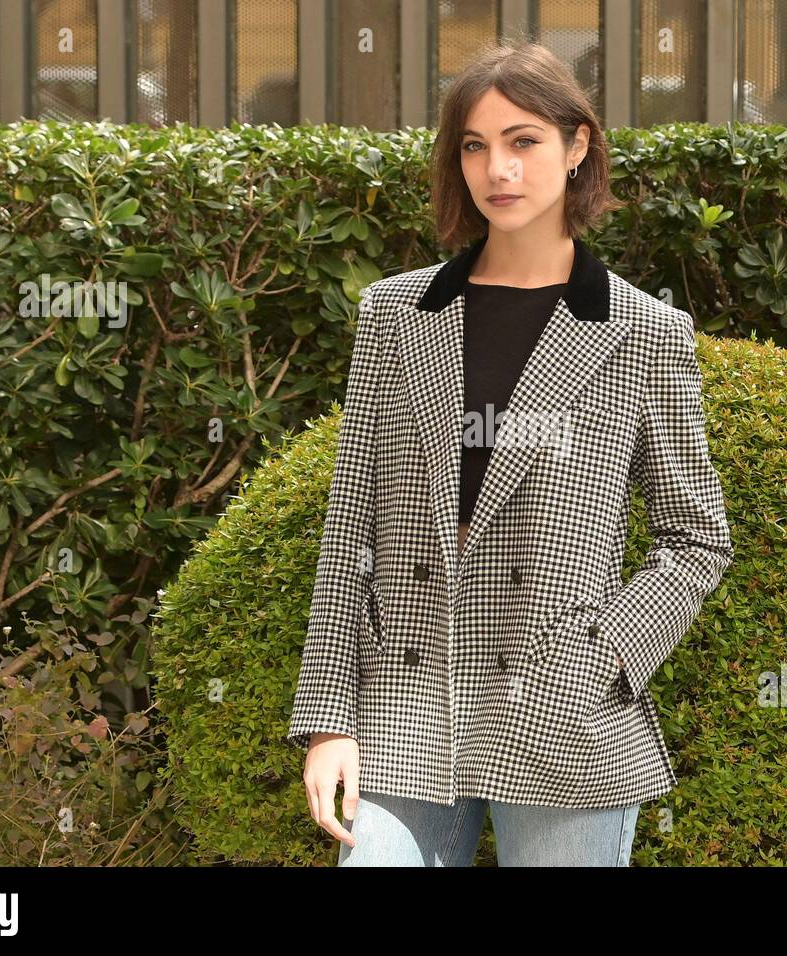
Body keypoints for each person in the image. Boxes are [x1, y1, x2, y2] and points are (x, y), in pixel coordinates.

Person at [288, 41, 733, 866]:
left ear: (576, 147)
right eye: (475, 145)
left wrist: (599, 657)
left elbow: (696, 539)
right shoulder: (396, 315)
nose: (500, 168)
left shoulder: (643, 332)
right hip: (410, 704)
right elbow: (350, 527)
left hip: (564, 712)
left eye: (524, 141)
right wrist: (329, 721)